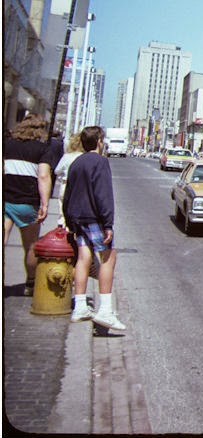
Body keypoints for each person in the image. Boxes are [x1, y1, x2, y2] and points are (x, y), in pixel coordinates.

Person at [62, 126, 126, 330]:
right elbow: (103, 193)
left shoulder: (76, 162)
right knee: (108, 257)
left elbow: (67, 192)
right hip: (94, 217)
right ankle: (105, 310)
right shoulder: (100, 162)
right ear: (99, 141)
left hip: (77, 217)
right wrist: (108, 223)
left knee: (83, 258)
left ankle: (80, 306)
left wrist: (69, 220)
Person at [3, 114, 59, 295]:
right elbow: (43, 176)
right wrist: (45, 204)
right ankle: (30, 283)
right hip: (27, 202)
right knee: (31, 246)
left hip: (5, 199)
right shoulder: (42, 149)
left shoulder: (6, 145)